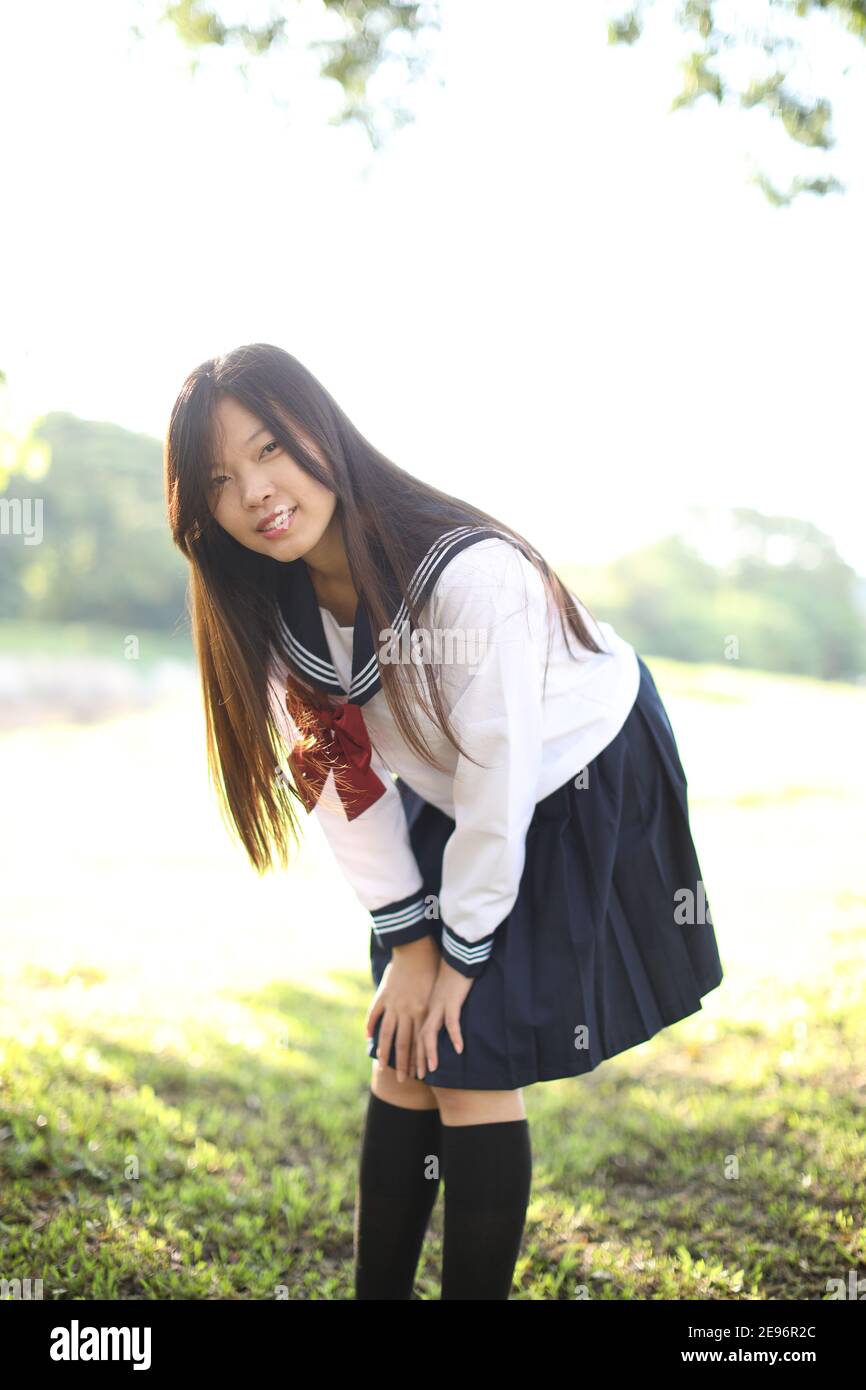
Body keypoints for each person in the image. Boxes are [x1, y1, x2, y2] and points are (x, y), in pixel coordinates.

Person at [164, 341, 724, 1301]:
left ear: (320, 432)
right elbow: (344, 784)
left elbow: (502, 783)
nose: (255, 489)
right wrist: (409, 940)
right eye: (219, 478)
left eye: (269, 449)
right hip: (450, 783)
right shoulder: (274, 610)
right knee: (402, 1042)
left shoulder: (469, 573)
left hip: (570, 769)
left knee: (465, 1053)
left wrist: (457, 952)